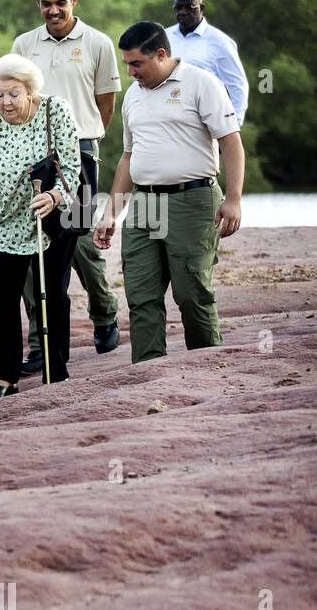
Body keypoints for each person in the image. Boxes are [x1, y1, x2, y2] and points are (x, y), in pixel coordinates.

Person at [93, 21, 244, 363]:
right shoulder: (133, 95)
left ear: (160, 55)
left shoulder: (202, 84)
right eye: (126, 63)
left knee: (192, 291)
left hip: (192, 200)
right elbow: (128, 157)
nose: (129, 72)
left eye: (136, 64)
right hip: (145, 203)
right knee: (141, 292)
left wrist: (234, 198)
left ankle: (205, 364)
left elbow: (231, 142)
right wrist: (111, 212)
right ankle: (148, 370)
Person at [0, 54, 81, 403]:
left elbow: (72, 168)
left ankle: (56, 370)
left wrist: (54, 196)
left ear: (29, 90)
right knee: (3, 304)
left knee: (51, 296)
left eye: (13, 94)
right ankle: (3, 379)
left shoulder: (56, 112)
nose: (5, 102)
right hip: (7, 223)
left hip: (50, 222)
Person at [11, 0, 122, 372]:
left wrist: (83, 144)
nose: (53, 10)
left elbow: (105, 104)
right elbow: (17, 99)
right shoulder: (23, 44)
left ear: (74, 0)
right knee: (32, 246)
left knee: (80, 243)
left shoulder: (98, 43)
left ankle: (104, 310)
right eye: (46, 3)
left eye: (60, 2)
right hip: (33, 155)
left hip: (81, 150)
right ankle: (41, 344)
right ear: (37, 3)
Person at [166, 0, 249, 125]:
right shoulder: (164, 36)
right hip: (168, 119)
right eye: (178, 8)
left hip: (204, 120)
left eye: (189, 7)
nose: (183, 12)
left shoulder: (220, 41)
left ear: (201, 8)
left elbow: (236, 84)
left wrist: (234, 123)